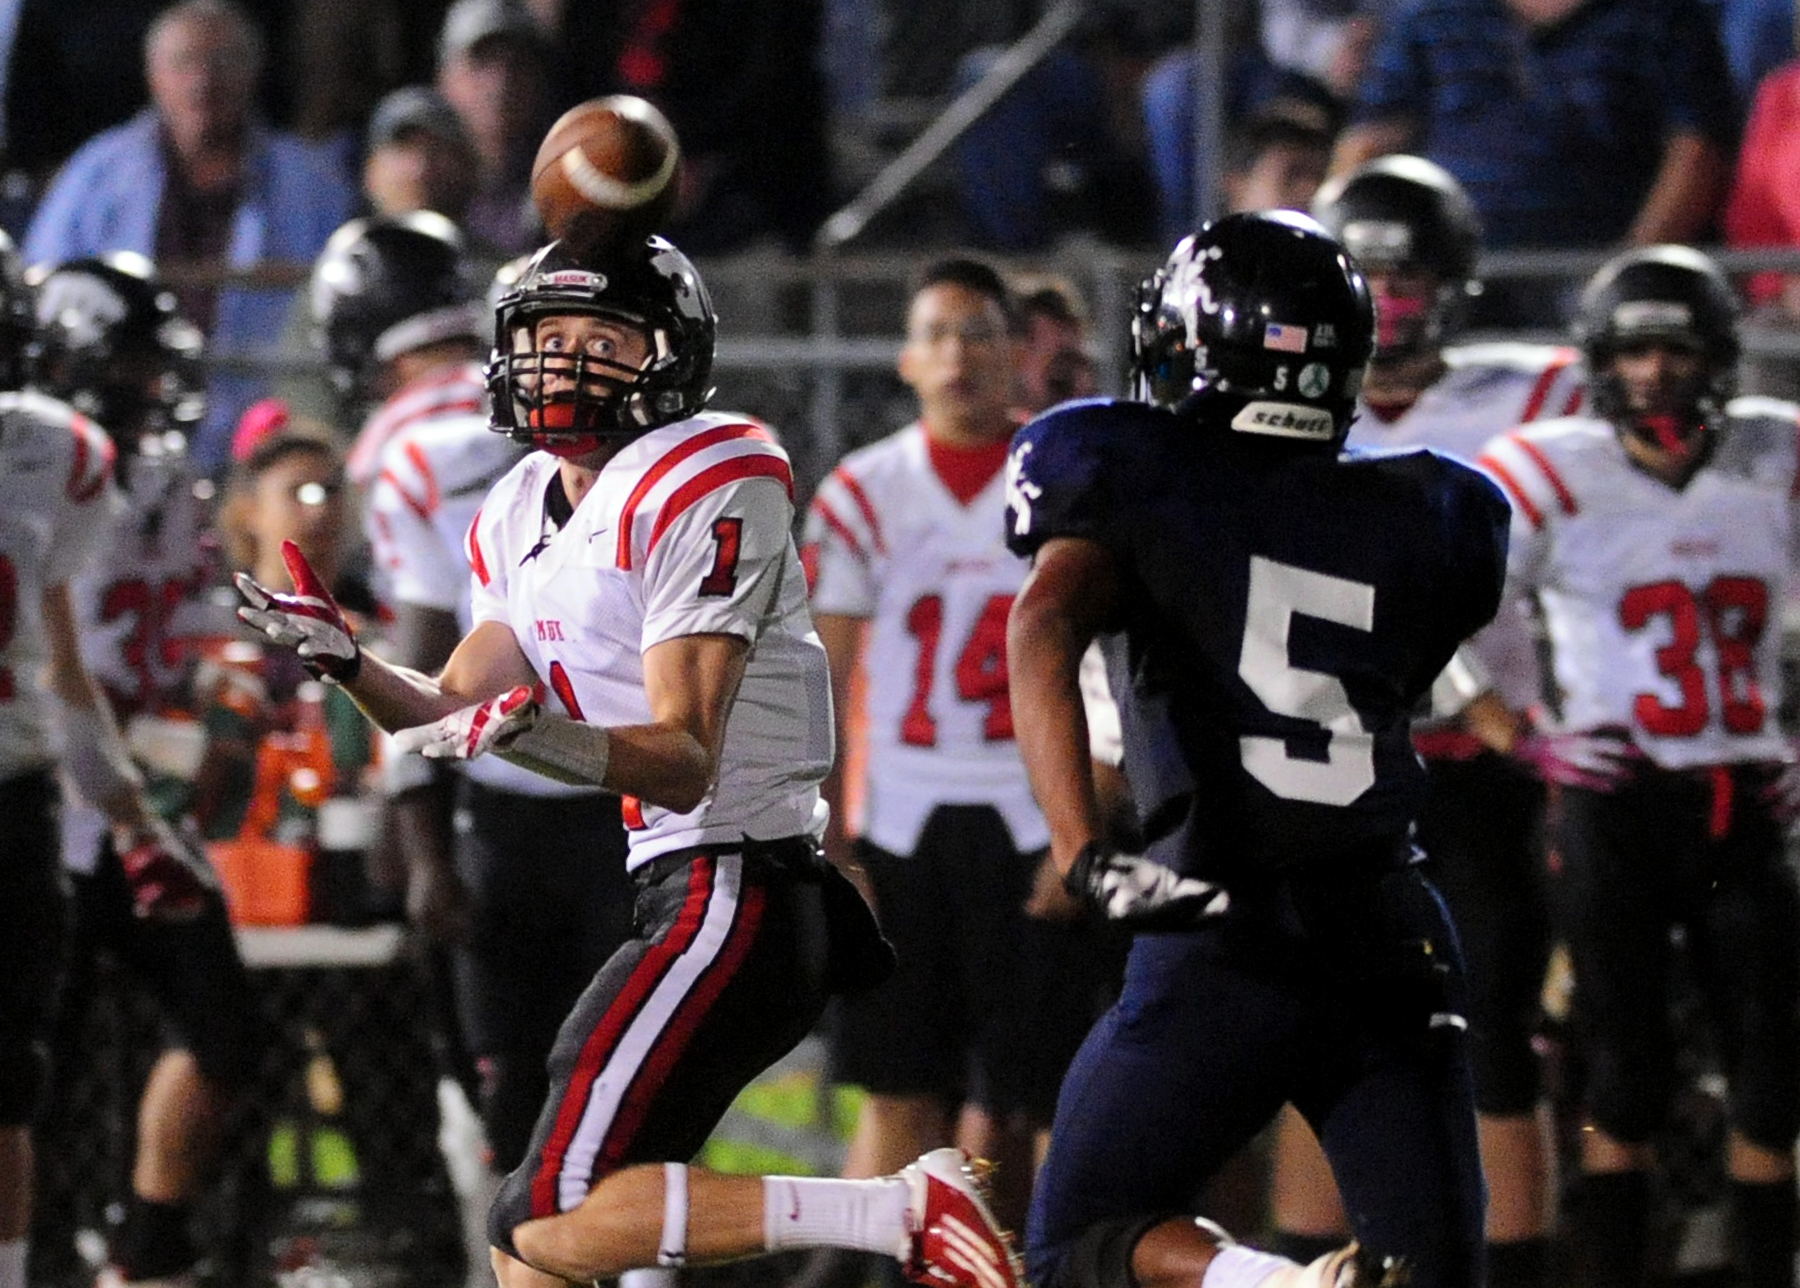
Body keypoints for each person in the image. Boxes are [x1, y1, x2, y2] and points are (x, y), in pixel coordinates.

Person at [234, 231, 1022, 1288]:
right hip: (677, 887)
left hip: (738, 886)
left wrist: (537, 735)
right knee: (542, 1256)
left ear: (667, 354)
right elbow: (447, 707)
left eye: (599, 336)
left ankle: (899, 1208)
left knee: (544, 1211)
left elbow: (684, 757)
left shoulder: (709, 470)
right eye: (546, 335)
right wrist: (349, 660)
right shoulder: (516, 506)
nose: (564, 361)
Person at [1004, 210, 1507, 1288]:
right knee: (1430, 1274)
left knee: (1076, 1238)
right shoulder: (1442, 508)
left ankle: (1278, 1284)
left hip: (1222, 924)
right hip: (1386, 921)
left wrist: (1082, 848)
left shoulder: (1124, 462)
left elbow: (1042, 625)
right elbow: (1396, 682)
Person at [1254, 155, 1584, 1288]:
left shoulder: (1543, 398)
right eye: (1369, 277)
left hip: (1486, 766)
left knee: (1491, 1033)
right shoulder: (1269, 402)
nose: (1388, 301)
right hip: (1319, 755)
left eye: (1409, 276)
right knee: (1317, 1032)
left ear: (1455, 284)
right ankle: (1316, 1271)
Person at [1472, 245, 1800, 1288]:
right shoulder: (1546, 464)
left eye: (1676, 346)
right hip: (1614, 797)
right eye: (1635, 349)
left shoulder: (1776, 454)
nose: (1655, 371)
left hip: (1745, 793)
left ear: (1718, 356)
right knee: (1625, 1065)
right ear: (1599, 361)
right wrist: (1519, 730)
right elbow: (1452, 608)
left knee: (1773, 1066)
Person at [328, 216, 638, 1223]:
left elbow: (422, 659)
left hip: (571, 792)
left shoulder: (420, 447)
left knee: (549, 1092)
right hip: (609, 789)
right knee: (598, 1089)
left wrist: (413, 824)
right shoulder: (646, 441)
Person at [803, 258, 1080, 1234]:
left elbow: (1101, 668)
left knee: (1043, 1092)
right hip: (902, 821)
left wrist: (1079, 827)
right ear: (908, 359)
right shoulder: (864, 490)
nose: (960, 354)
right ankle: (891, 1265)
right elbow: (825, 682)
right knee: (899, 1084)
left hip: (1027, 816)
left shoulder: (1066, 476)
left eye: (979, 333)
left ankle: (1037, 1264)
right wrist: (830, 843)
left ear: (1017, 354)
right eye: (940, 334)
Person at [26, 253, 262, 1288]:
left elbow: (198, 627)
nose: (150, 391)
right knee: (34, 1081)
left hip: (141, 812)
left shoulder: (157, 478)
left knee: (227, 1035)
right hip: (53, 815)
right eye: (127, 369)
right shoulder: (31, 466)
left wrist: (231, 701)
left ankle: (146, 1247)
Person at [21, 0, 356, 473]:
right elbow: (44, 297)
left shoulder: (311, 183)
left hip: (267, 448)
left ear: (253, 73)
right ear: (153, 76)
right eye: (184, 63)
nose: (203, 82)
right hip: (120, 443)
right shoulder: (95, 176)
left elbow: (336, 321)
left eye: (222, 62)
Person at [1332, 0, 1737, 327]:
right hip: (1446, 274)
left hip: (1589, 274)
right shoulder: (1430, 15)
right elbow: (1368, 143)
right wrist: (1342, 254)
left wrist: (1627, 272)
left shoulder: (1662, 16)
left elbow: (1698, 150)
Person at [434, 0, 549, 257]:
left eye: (518, 64)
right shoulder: (416, 172)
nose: (501, 81)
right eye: (481, 62)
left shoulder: (558, 183)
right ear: (444, 76)